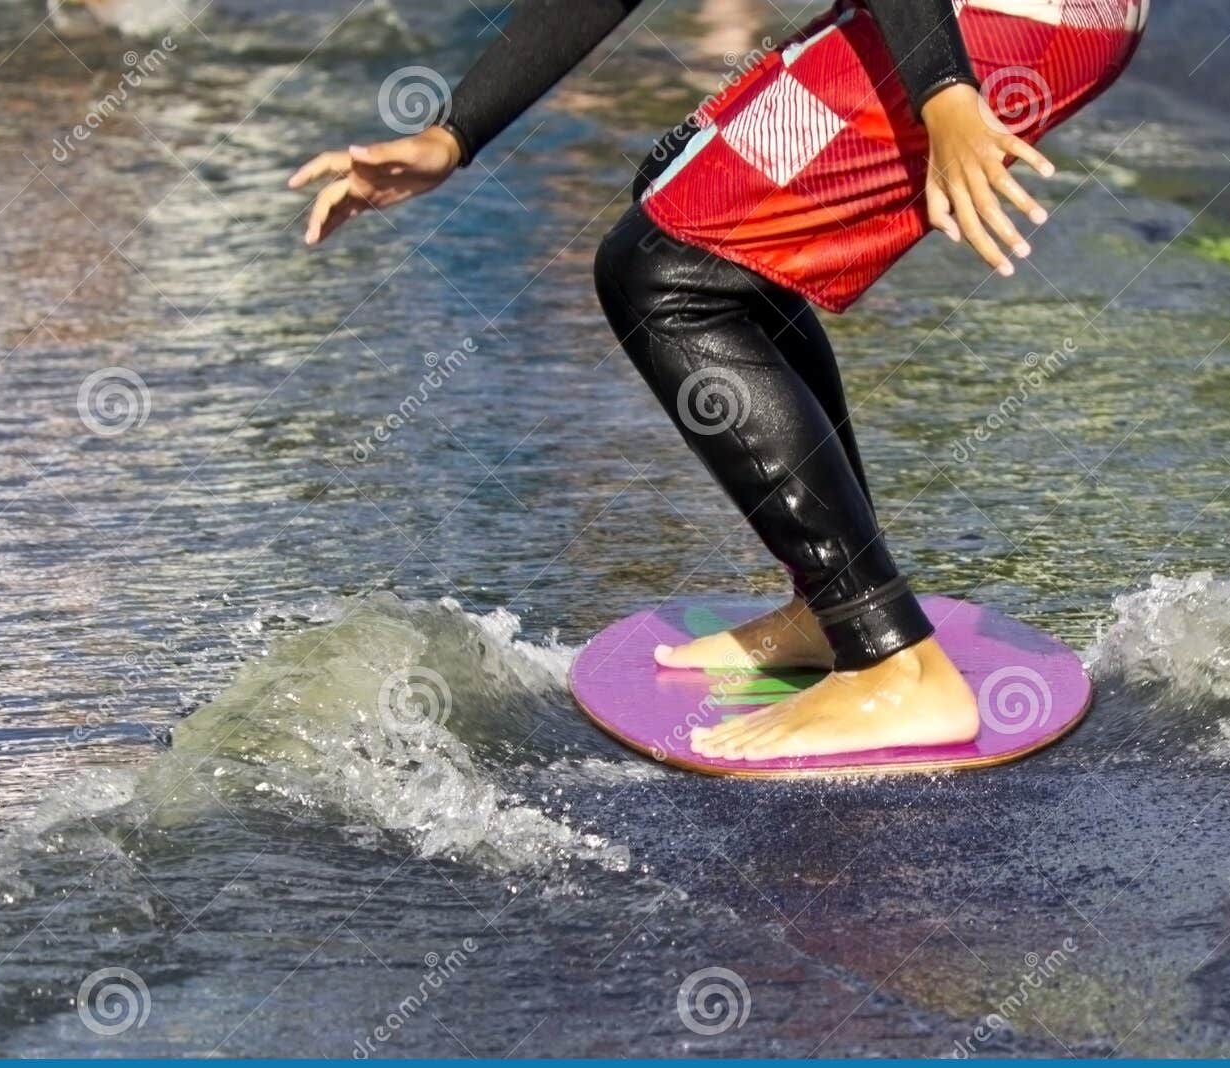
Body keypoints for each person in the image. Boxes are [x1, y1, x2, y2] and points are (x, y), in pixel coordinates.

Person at [290, 1, 1148, 761]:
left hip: (1007, 24)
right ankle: (834, 605)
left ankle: (889, 659)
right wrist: (454, 132)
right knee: (689, 211)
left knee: (663, 272)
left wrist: (942, 91)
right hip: (974, 19)